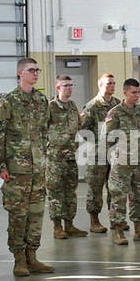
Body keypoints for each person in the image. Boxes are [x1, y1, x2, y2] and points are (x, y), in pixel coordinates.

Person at [0, 57, 54, 276]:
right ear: (20, 73)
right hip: (17, 168)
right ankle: (19, 258)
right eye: (31, 70)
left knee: (36, 213)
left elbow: (45, 130)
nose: (35, 73)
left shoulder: (41, 99)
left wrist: (45, 157)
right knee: (18, 215)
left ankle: (32, 256)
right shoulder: (8, 101)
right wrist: (1, 165)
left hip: (38, 168)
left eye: (37, 70)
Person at [105, 78, 140, 245]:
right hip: (123, 162)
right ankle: (118, 231)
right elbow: (108, 137)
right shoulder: (115, 113)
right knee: (119, 197)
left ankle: (139, 230)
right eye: (133, 92)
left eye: (138, 92)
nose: (136, 95)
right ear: (125, 92)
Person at [47, 74, 86, 240]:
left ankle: (69, 224)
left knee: (70, 192)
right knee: (56, 194)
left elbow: (78, 125)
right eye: (65, 85)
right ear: (58, 88)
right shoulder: (50, 107)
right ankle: (57, 227)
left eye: (71, 85)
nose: (69, 88)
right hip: (55, 158)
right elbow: (41, 130)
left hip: (71, 156)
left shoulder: (72, 106)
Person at [81, 73, 120, 233]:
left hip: (114, 154)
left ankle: (115, 219)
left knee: (115, 188)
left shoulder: (118, 104)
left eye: (113, 83)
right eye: (108, 83)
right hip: (97, 155)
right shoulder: (92, 106)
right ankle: (94, 221)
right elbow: (83, 130)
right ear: (100, 84)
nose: (111, 86)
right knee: (95, 189)